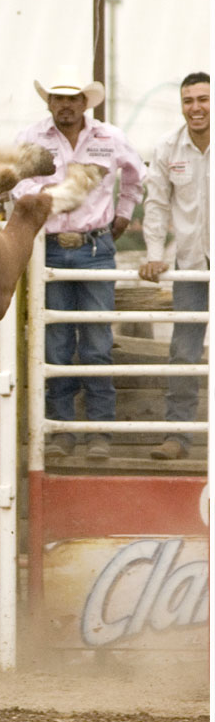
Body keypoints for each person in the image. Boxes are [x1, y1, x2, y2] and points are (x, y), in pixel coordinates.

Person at [12, 68, 146, 460]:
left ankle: (98, 431)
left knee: (96, 342)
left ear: (84, 103)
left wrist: (123, 215)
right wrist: (50, 192)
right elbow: (17, 183)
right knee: (55, 345)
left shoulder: (109, 137)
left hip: (95, 246)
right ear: (49, 102)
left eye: (73, 98)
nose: (65, 105)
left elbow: (137, 177)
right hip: (50, 247)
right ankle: (63, 431)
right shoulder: (31, 137)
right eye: (59, 98)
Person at [138, 72, 210, 460]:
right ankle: (178, 436)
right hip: (191, 263)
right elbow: (156, 203)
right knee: (184, 349)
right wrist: (154, 253)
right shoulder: (168, 147)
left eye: (203, 99)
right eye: (189, 100)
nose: (196, 108)